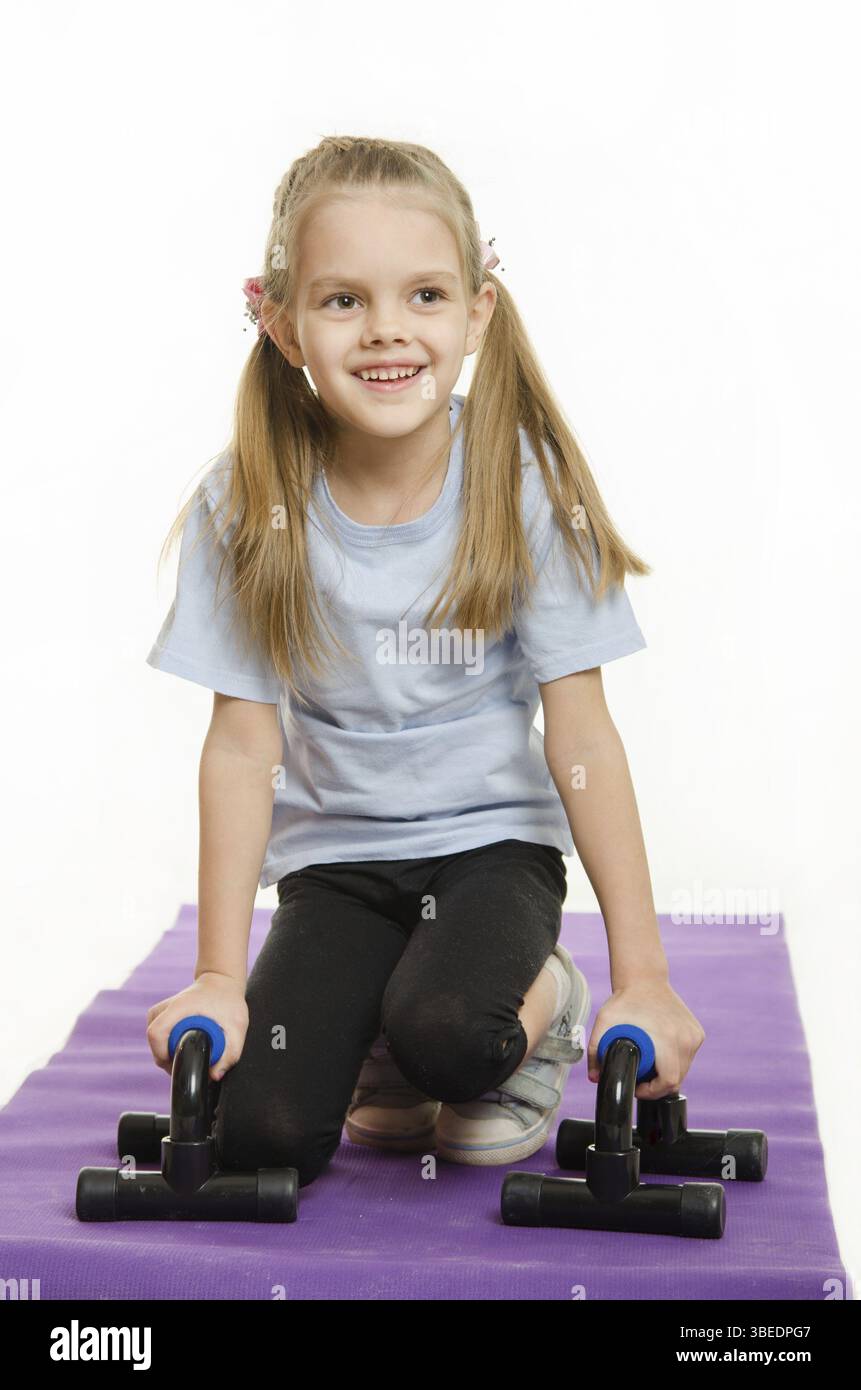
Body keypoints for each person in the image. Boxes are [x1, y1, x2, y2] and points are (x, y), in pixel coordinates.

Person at [144, 135, 705, 1187]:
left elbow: (580, 731)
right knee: (262, 1131)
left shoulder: (522, 484)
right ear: (280, 319)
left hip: (490, 850)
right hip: (340, 869)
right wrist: (222, 974)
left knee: (452, 1034)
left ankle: (544, 1001)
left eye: (426, 295)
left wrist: (647, 975)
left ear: (477, 312)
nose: (389, 329)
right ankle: (380, 1030)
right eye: (343, 300)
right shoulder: (245, 503)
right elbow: (241, 743)